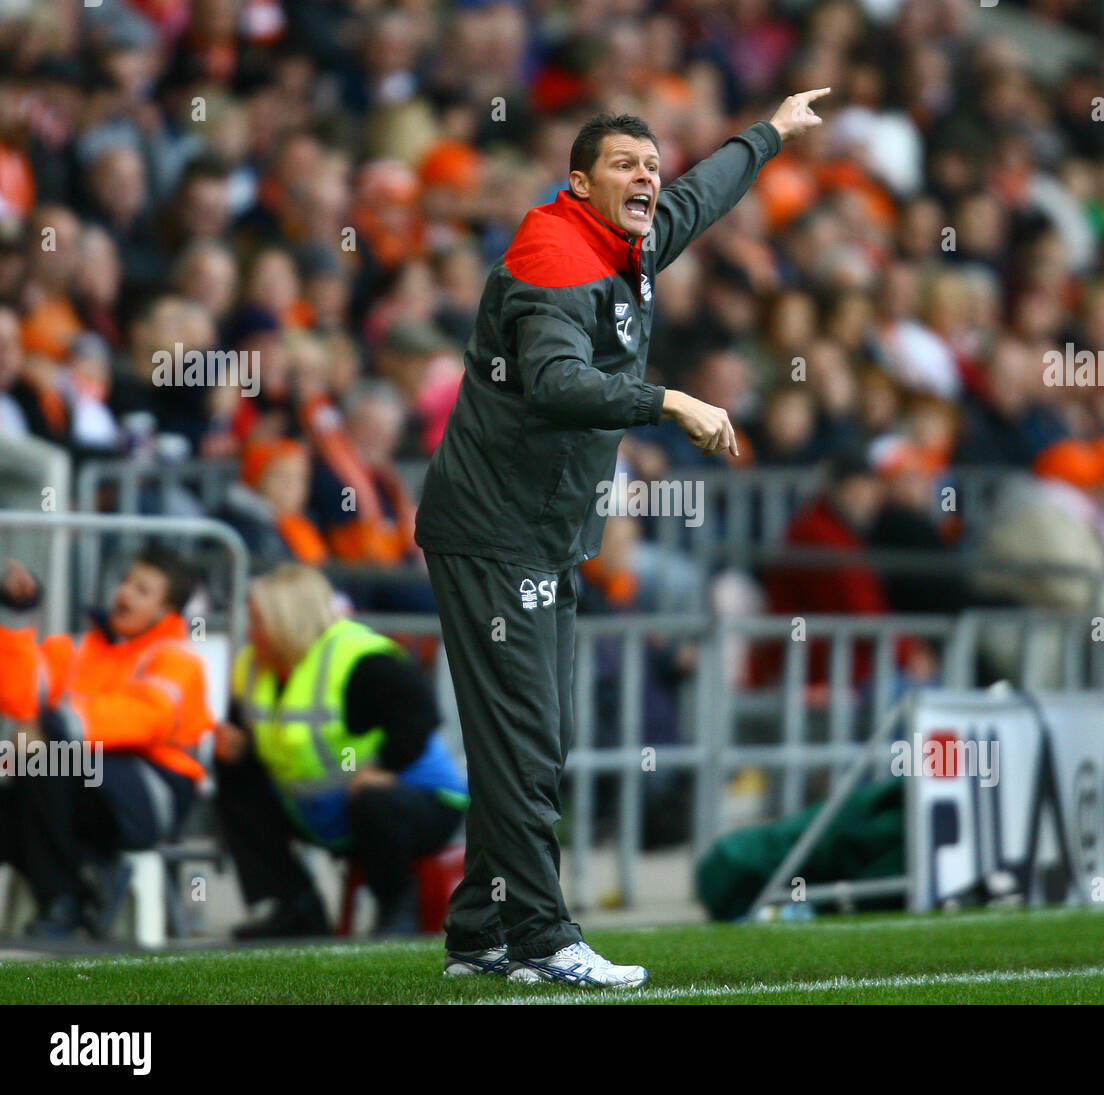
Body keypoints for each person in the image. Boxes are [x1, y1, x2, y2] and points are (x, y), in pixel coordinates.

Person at [415, 91, 830, 987]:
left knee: (530, 736)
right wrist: (669, 400)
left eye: (650, 163)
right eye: (624, 165)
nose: (648, 178)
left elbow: (698, 196)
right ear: (578, 182)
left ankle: (479, 930)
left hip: (543, 533)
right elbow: (558, 381)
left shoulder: (623, 239)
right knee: (526, 738)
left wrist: (771, 133)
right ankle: (542, 935)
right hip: (496, 531)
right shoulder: (555, 260)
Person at [215, 564, 467, 938]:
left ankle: (397, 907)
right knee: (232, 783)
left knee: (374, 800)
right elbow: (268, 744)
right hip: (322, 805)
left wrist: (382, 766)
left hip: (422, 803)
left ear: (288, 621)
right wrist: (236, 750)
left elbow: (421, 715)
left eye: (258, 621)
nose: (250, 633)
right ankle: (296, 906)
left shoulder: (359, 657)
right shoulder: (251, 668)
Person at [0, 547, 212, 937]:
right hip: (83, 782)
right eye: (127, 582)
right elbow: (17, 697)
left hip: (153, 792)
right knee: (17, 787)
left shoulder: (176, 659)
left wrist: (48, 727)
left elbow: (141, 720)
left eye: (142, 590)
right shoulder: (82, 647)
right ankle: (72, 894)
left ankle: (65, 900)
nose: (125, 593)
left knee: (42, 760)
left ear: (166, 612)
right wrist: (17, 615)